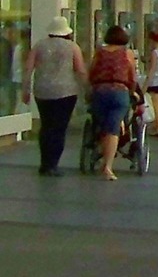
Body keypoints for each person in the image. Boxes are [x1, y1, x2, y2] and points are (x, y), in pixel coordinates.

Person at [22, 18, 87, 176]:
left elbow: (28, 68)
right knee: (59, 128)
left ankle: (44, 163)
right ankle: (53, 164)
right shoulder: (73, 47)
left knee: (46, 126)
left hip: (42, 90)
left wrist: (25, 89)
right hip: (66, 92)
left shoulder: (39, 45)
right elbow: (80, 70)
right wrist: (87, 89)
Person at [88, 25, 138, 181]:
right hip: (119, 91)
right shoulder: (127, 53)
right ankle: (108, 166)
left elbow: (92, 72)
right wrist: (132, 91)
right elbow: (132, 76)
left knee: (103, 126)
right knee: (113, 128)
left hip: (100, 91)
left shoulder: (99, 52)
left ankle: (102, 154)